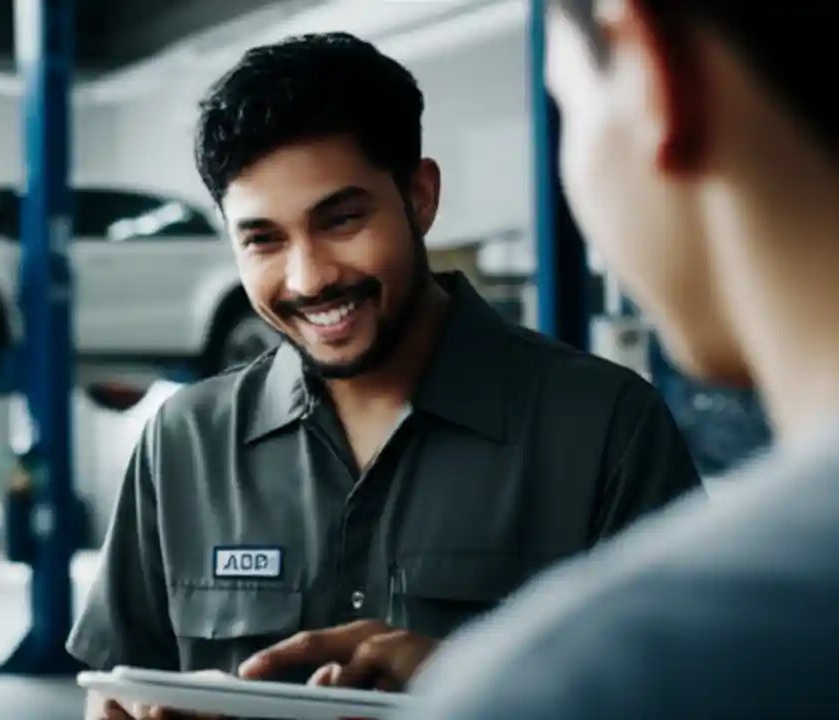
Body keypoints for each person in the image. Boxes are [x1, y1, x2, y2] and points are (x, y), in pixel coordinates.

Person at [67, 32, 703, 720]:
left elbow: (709, 696)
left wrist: (475, 685)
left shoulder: (605, 428)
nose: (308, 278)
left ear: (420, 197)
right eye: (263, 239)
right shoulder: (185, 441)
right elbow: (120, 686)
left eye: (341, 219)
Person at [235, 1, 839, 717]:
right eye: (262, 238)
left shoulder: (599, 671)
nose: (308, 278)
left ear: (655, 70)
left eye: (568, 106)